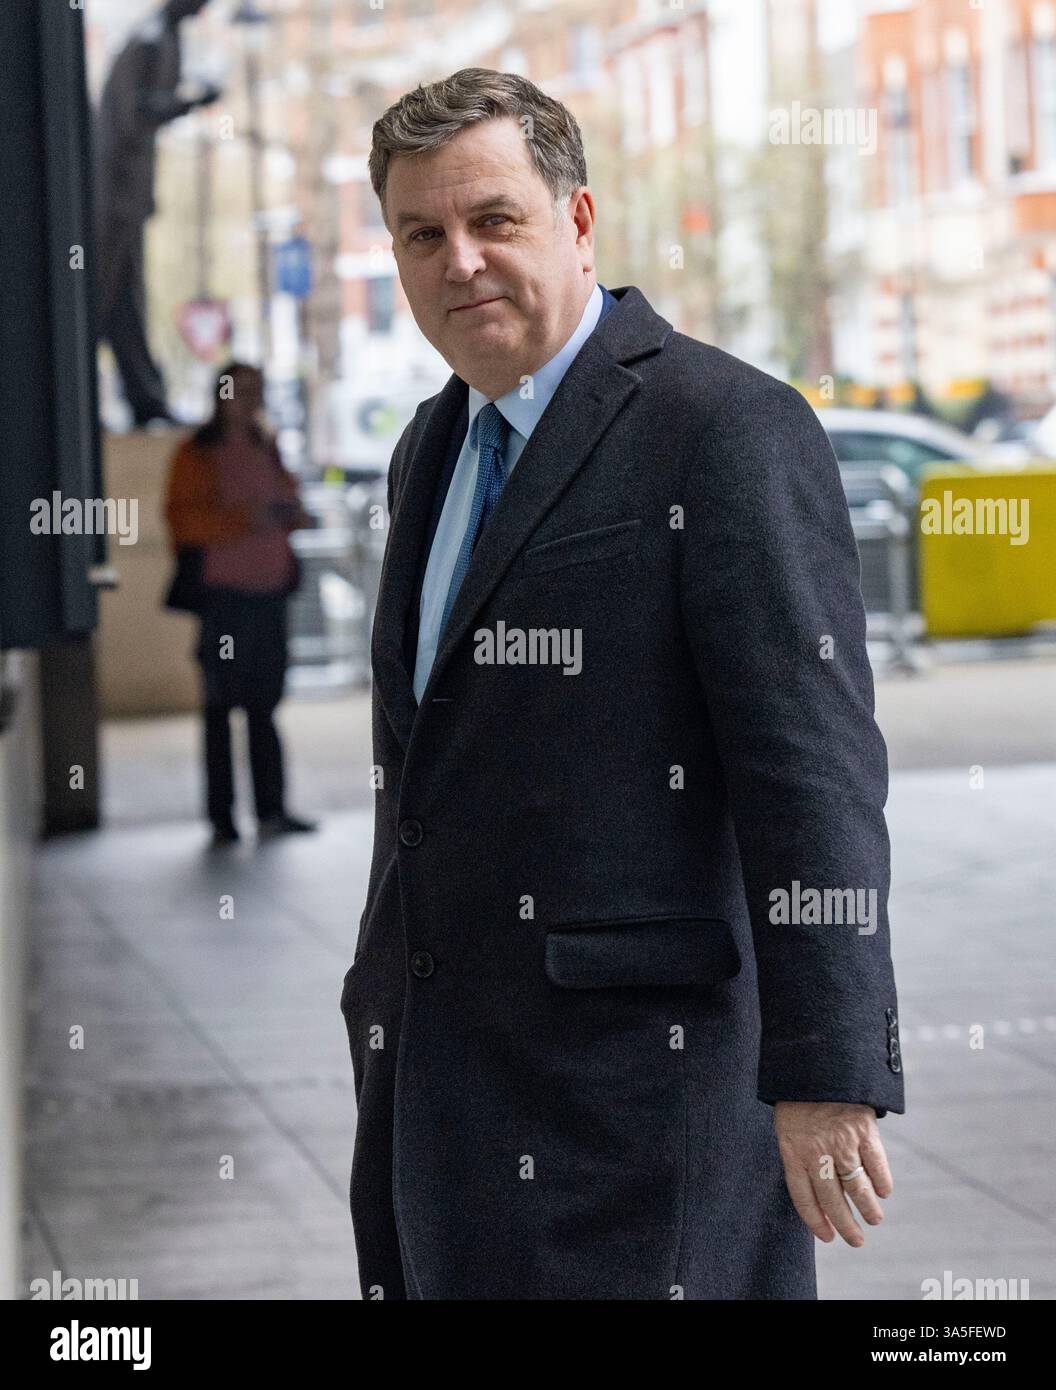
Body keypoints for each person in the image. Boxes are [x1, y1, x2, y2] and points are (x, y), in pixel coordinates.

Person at [341, 68, 904, 1301]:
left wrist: (825, 1065)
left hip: (638, 1102)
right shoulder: (429, 449)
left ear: (579, 221)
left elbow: (808, 769)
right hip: (438, 1094)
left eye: (497, 221)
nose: (462, 262)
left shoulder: (722, 428)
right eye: (423, 235)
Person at [164, 362, 318, 847]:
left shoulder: (264, 445)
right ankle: (222, 819)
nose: (250, 399)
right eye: (241, 390)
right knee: (218, 708)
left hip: (270, 595)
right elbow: (185, 522)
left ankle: (271, 810)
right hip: (225, 601)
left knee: (264, 706)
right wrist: (245, 520)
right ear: (221, 395)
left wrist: (291, 515)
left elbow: (287, 500)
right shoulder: (196, 453)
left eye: (257, 389)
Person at [94, 0, 220, 426]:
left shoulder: (160, 36)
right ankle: (98, 394)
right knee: (102, 294)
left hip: (124, 193)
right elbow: (135, 112)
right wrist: (191, 100)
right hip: (114, 194)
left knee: (122, 299)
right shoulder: (149, 40)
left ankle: (145, 399)